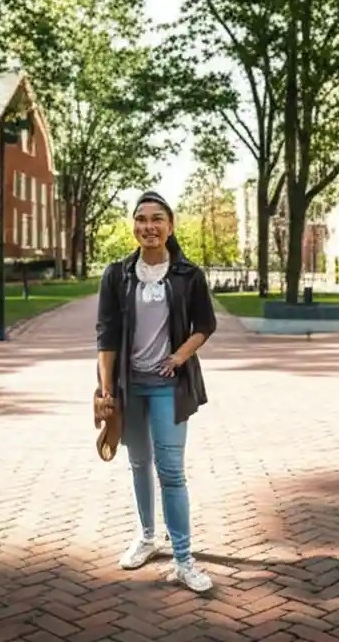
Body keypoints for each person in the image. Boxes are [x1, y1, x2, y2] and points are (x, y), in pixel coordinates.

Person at [95, 191, 217, 593]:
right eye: (141, 219)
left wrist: (179, 356)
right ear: (134, 225)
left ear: (170, 225)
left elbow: (205, 324)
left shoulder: (188, 275)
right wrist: (106, 390)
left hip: (169, 386)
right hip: (130, 386)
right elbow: (106, 335)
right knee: (138, 463)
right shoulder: (117, 274)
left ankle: (183, 559)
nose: (149, 226)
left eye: (157, 219)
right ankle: (147, 538)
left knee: (171, 472)